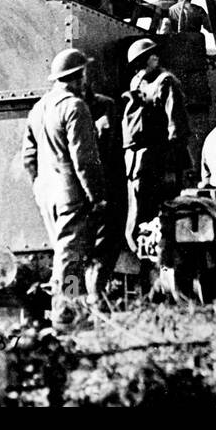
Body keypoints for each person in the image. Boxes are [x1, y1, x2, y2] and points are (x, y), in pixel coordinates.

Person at [21, 48, 107, 325]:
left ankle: (68, 308)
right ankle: (66, 311)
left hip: (46, 193)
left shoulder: (39, 108)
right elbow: (85, 160)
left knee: (64, 253)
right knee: (70, 257)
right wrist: (97, 197)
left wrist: (38, 184)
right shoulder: (74, 107)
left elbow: (28, 157)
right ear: (78, 76)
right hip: (70, 193)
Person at [122, 37, 193, 249]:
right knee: (164, 210)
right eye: (151, 56)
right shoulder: (166, 81)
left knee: (141, 208)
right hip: (158, 159)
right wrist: (177, 159)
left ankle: (144, 250)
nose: (155, 58)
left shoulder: (137, 82)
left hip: (138, 160)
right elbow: (176, 124)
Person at [87, 81, 128, 289]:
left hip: (68, 199)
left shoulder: (47, 108)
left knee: (73, 257)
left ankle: (73, 300)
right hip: (99, 193)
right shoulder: (104, 106)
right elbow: (107, 145)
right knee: (102, 253)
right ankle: (94, 298)